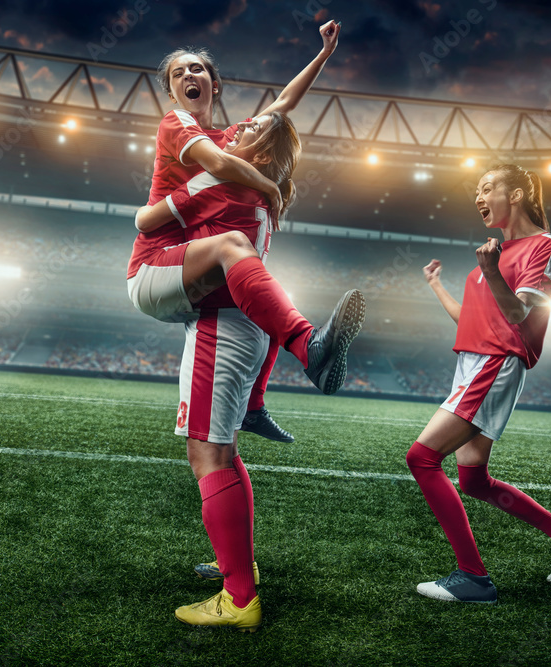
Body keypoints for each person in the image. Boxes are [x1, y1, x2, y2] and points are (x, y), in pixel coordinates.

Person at [150, 111, 351, 632]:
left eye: (249, 133)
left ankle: (238, 599)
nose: (235, 130)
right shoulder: (257, 191)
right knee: (224, 451)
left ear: (260, 156)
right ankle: (233, 561)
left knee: (207, 454)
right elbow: (280, 110)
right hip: (247, 324)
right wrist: (322, 57)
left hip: (225, 326)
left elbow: (145, 221)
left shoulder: (227, 186)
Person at [132, 20, 341, 443]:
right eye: (179, 73)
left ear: (214, 83)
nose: (189, 76)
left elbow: (283, 103)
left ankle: (255, 406)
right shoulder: (179, 126)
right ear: (172, 93)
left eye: (198, 69)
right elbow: (216, 169)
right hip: (157, 263)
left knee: (269, 299)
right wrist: (270, 186)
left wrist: (322, 56)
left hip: (191, 267)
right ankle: (307, 347)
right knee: (234, 246)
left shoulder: (231, 138)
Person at [406, 164, 551, 604]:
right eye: (476, 190)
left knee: (422, 458)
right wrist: (436, 285)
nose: (479, 196)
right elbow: (468, 320)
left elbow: (518, 316)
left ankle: (472, 578)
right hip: (471, 363)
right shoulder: (490, 257)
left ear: (517, 194)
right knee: (472, 480)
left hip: (496, 364)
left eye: (488, 188)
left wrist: (491, 271)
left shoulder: (546, 246)